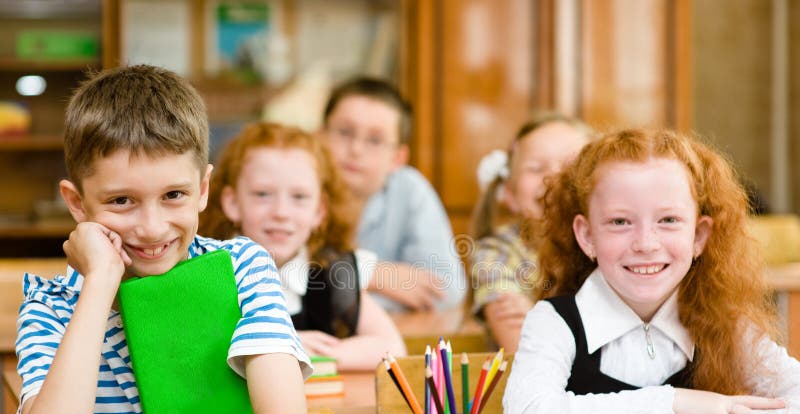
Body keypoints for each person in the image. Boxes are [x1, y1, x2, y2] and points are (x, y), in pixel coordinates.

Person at [14, 65, 311, 414]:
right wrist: (98, 284)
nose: (152, 228)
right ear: (76, 203)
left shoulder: (241, 268)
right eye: (121, 201)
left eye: (174, 195)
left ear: (203, 189)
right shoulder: (52, 306)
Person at [503, 128, 800, 414]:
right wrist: (675, 403)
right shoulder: (554, 322)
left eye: (668, 220)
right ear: (586, 235)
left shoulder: (726, 324)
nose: (645, 243)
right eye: (619, 222)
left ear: (699, 235)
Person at [200, 122, 406, 370]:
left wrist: (317, 355)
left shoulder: (331, 270)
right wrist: (287, 345)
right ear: (232, 202)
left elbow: (393, 348)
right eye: (263, 194)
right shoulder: (210, 269)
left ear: (319, 211)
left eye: (299, 197)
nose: (281, 212)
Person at [321, 76, 466, 312]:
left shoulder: (410, 190)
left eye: (375, 140)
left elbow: (443, 292)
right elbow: (281, 284)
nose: (356, 149)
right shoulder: (294, 186)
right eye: (345, 132)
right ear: (320, 137)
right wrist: (369, 274)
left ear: (397, 158)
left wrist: (342, 295)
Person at [469, 113, 593, 352]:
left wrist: (539, 320)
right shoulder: (496, 254)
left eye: (570, 165)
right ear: (508, 193)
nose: (553, 177)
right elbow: (523, 350)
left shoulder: (616, 246)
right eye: (535, 168)